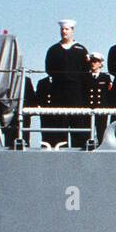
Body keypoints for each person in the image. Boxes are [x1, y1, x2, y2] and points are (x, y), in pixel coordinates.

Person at [43, 19, 90, 149]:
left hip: (76, 92)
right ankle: (60, 147)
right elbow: (49, 69)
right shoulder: (54, 50)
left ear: (72, 31)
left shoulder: (80, 50)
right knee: (59, 122)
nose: (64, 31)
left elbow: (86, 71)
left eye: (67, 29)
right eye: (62, 29)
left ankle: (80, 147)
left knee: (78, 121)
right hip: (59, 92)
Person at [84, 52, 113, 145]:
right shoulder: (85, 77)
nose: (93, 63)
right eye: (92, 61)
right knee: (87, 132)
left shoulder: (106, 78)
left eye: (96, 61)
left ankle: (101, 147)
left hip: (101, 109)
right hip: (88, 109)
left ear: (100, 64)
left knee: (101, 131)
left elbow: (109, 93)